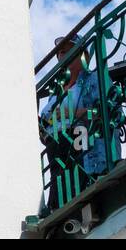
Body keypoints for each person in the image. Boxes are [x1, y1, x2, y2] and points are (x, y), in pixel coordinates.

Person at [39, 36, 108, 211]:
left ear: (84, 55)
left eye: (69, 50)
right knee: (59, 191)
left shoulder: (95, 79)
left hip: (82, 143)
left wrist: (75, 113)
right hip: (56, 148)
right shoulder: (56, 91)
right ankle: (55, 208)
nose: (63, 55)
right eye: (60, 52)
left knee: (77, 185)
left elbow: (108, 112)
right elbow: (47, 121)